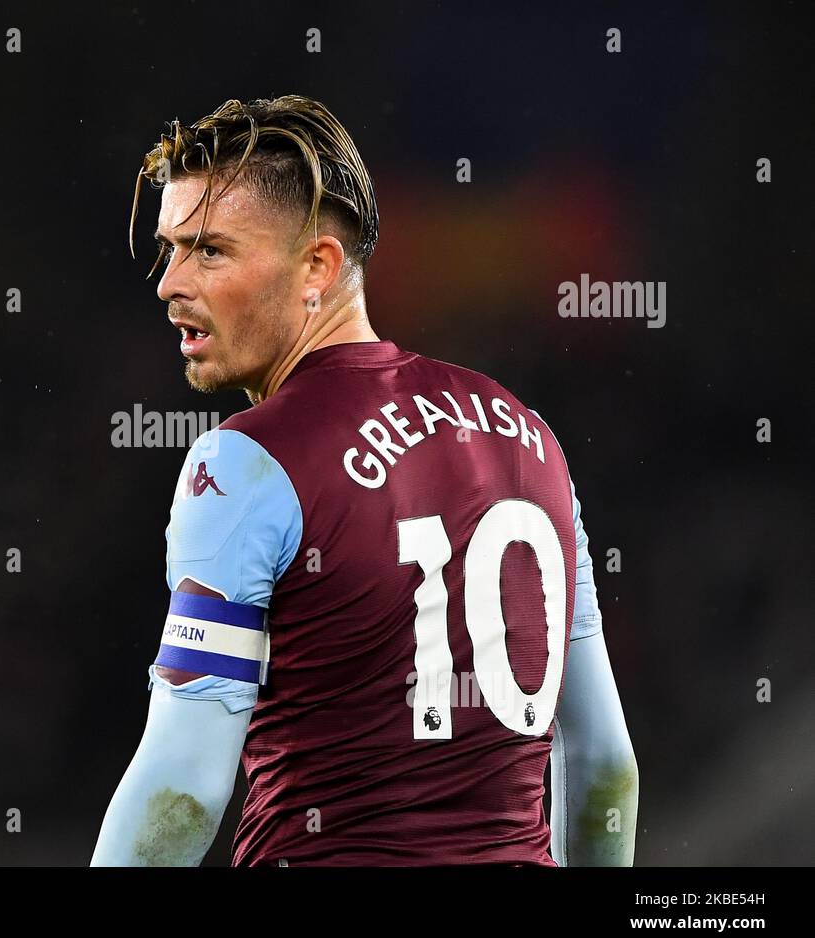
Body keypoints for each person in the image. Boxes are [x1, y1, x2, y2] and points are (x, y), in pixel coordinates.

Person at [91, 95, 638, 866]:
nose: (169, 282)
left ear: (316, 265)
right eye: (168, 249)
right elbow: (606, 767)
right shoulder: (533, 441)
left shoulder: (244, 463)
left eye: (209, 250)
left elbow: (180, 791)